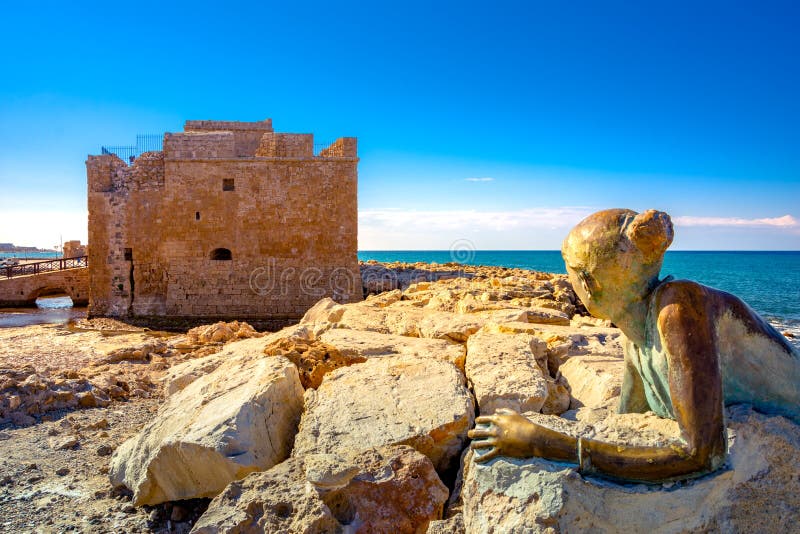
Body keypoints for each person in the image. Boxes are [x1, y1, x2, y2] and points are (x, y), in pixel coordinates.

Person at [468, 208, 800, 482]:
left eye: (569, 273)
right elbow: (627, 419)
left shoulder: (679, 307)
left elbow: (702, 455)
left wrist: (544, 443)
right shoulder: (636, 325)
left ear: (588, 283)